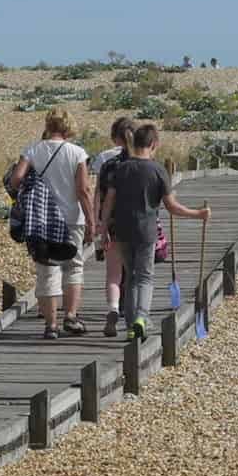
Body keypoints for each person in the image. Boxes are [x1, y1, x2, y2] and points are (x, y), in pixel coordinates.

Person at [97, 121, 211, 344]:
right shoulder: (157, 170)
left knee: (130, 277)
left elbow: (108, 201)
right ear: (154, 144)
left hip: (121, 230)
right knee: (146, 277)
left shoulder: (121, 169)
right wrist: (198, 214)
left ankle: (131, 325)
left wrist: (103, 228)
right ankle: (142, 317)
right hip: (146, 232)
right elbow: (172, 207)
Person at [4, 107, 92, 340]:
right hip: (72, 218)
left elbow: (16, 179)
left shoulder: (33, 149)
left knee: (46, 271)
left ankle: (51, 325)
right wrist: (92, 221)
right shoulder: (77, 153)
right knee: (73, 267)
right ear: (67, 127)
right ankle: (71, 316)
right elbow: (83, 190)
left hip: (40, 220)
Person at [89, 116, 135, 337]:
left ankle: (113, 309)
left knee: (113, 274)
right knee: (136, 273)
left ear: (114, 137)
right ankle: (134, 314)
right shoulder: (143, 161)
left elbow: (100, 194)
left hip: (113, 223)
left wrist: (98, 223)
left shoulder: (107, 162)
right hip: (137, 225)